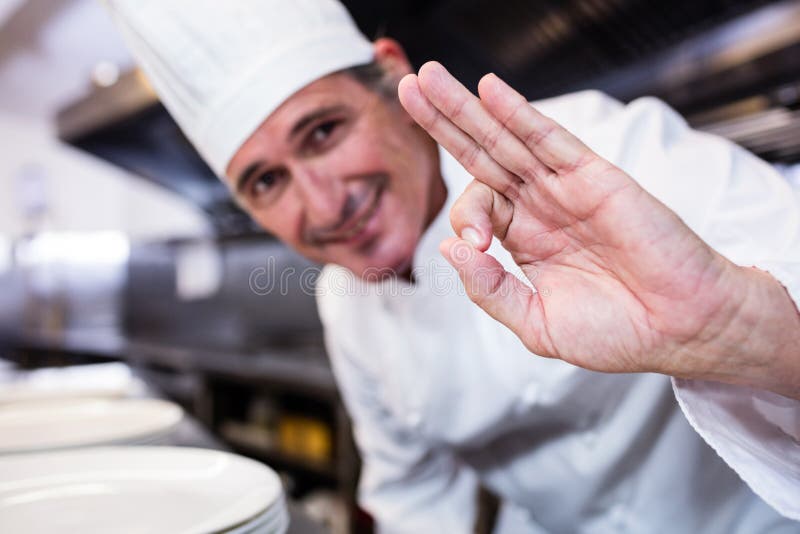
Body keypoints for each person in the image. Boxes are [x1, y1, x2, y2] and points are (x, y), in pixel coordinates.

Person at [105, 1, 800, 531]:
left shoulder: (597, 152)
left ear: (391, 75)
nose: (322, 206)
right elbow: (413, 497)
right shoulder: (344, 304)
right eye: (266, 182)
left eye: (323, 132)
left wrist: (744, 330)